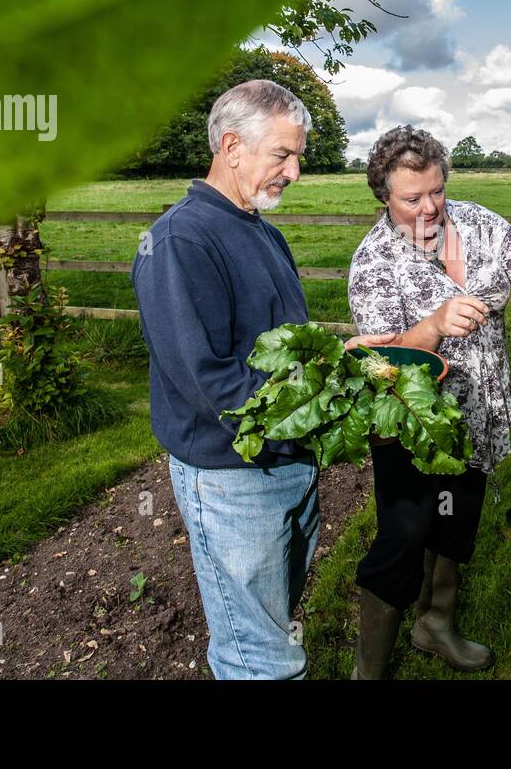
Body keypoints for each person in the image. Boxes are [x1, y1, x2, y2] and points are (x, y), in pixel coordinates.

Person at [131, 79, 391, 679]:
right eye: (283, 154)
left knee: (269, 624)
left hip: (288, 464)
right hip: (233, 479)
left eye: (297, 155)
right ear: (231, 146)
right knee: (261, 658)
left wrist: (339, 358)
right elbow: (213, 383)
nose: (295, 171)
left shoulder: (261, 231)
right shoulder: (180, 241)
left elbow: (276, 351)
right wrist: (328, 408)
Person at [345, 125, 511, 678]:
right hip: (417, 428)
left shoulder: (478, 222)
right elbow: (381, 364)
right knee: (403, 537)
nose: (428, 208)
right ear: (384, 196)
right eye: (410, 198)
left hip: (480, 415)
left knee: (456, 523)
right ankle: (368, 667)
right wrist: (434, 325)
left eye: (436, 191)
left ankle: (434, 625)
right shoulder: (374, 263)